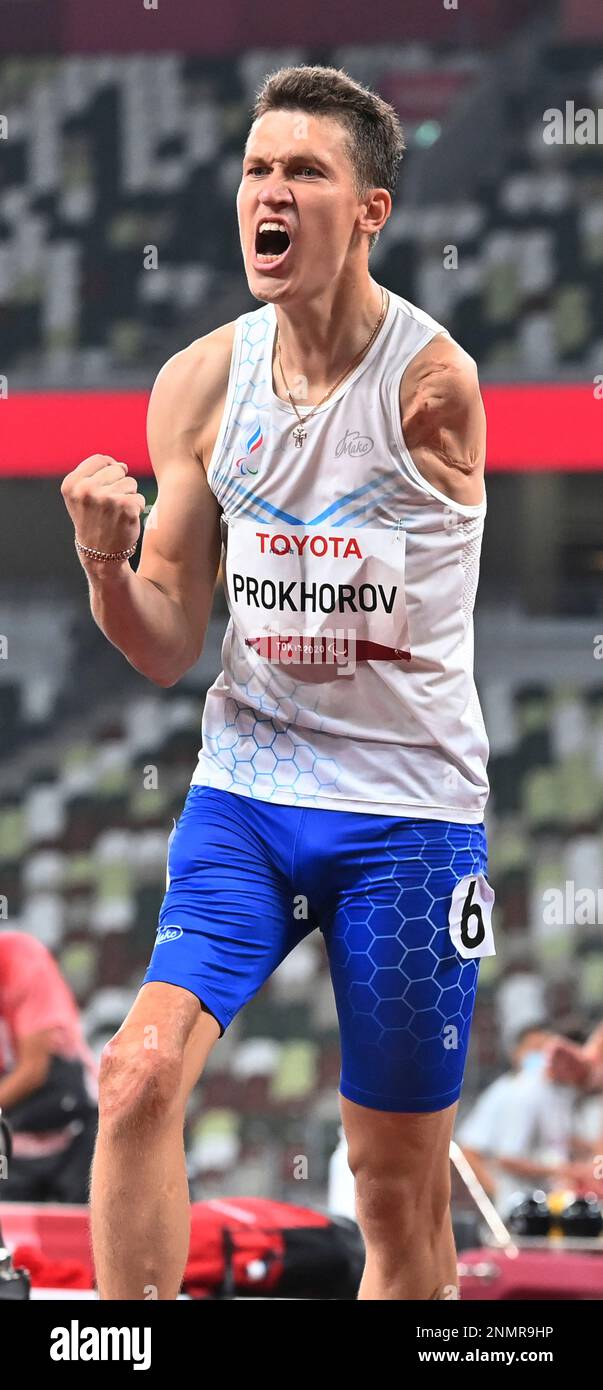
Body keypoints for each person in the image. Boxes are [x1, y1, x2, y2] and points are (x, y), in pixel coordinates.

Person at [60, 64, 493, 1300]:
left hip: (406, 815)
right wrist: (103, 557)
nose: (274, 190)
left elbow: (361, 579)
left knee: (394, 1192)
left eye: (307, 171)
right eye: (258, 168)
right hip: (248, 791)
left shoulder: (431, 390)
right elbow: (163, 640)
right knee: (135, 1075)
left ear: (371, 211)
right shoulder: (199, 387)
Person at [0, 931, 98, 1202]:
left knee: (85, 1231)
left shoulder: (22, 958)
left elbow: (34, 1070)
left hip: (73, 1123)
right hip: (17, 1139)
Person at [456, 1024, 581, 1218]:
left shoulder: (554, 1091)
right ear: (516, 1053)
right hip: (520, 1209)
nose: (539, 1055)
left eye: (544, 1048)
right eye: (533, 1048)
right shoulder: (508, 1092)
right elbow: (471, 1151)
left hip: (549, 1204)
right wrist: (498, 1194)